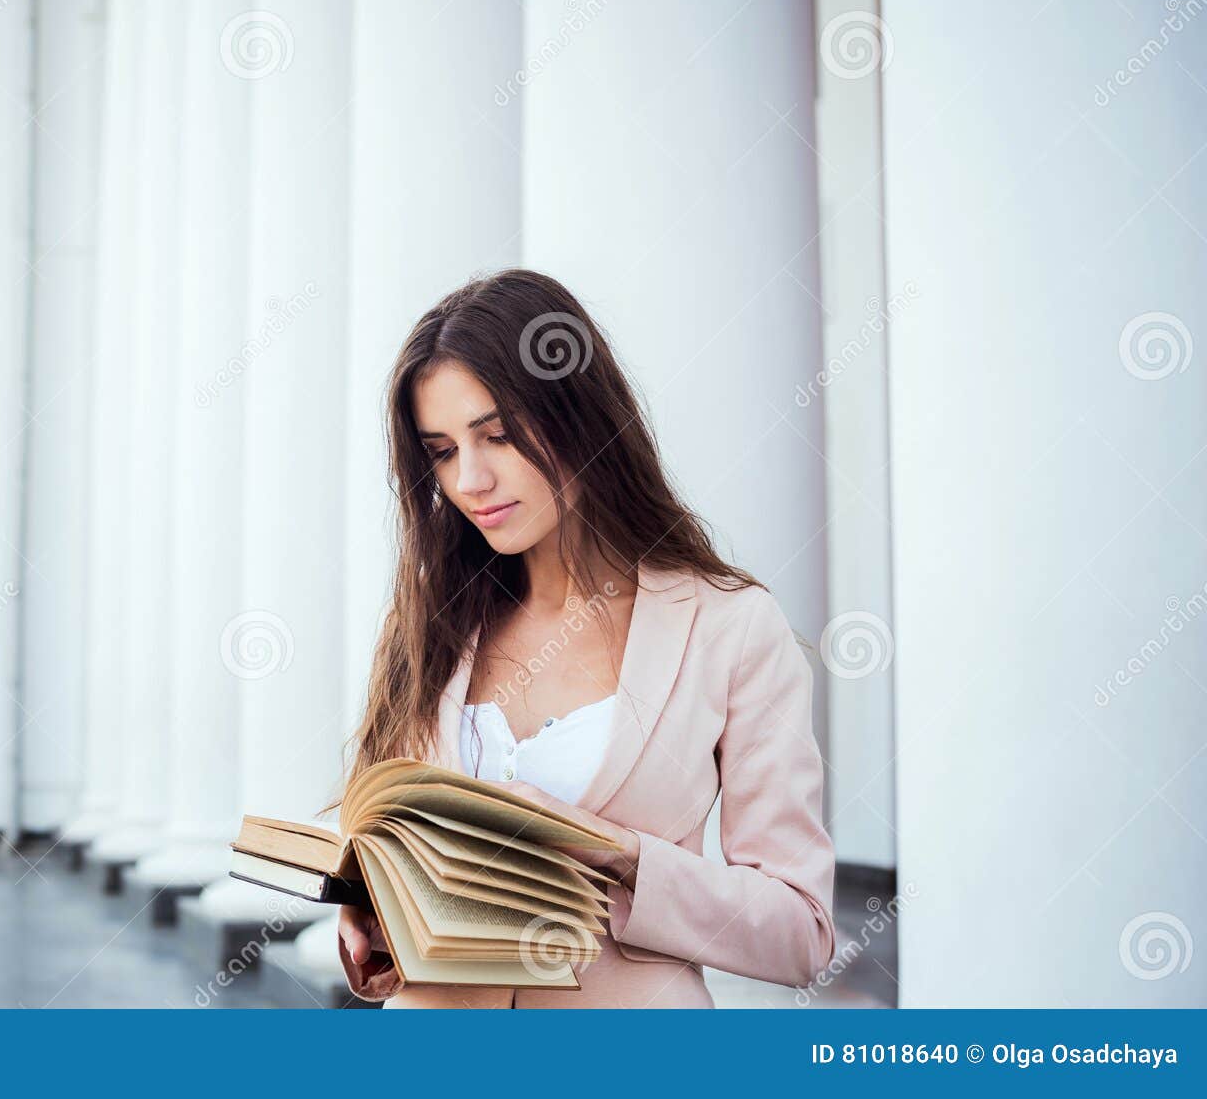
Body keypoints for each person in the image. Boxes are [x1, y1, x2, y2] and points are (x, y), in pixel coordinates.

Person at [335, 269, 837, 1008]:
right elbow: (387, 835)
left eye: (498, 435)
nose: (470, 479)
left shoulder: (729, 628)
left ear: (579, 416)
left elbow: (803, 933)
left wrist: (624, 856)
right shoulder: (428, 621)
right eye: (441, 451)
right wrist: (370, 913)